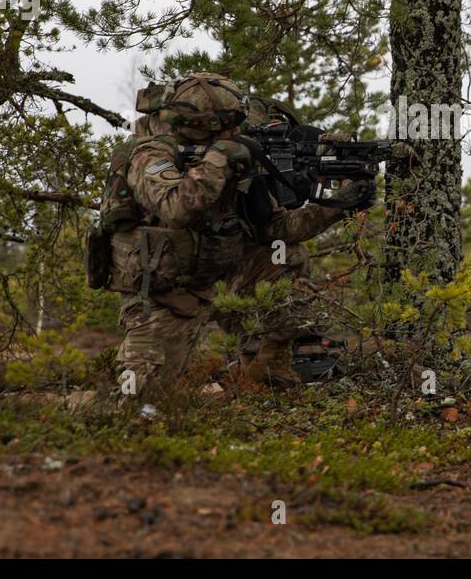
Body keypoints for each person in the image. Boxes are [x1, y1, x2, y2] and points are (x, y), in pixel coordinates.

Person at [99, 73, 373, 392]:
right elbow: (175, 208)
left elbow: (276, 227)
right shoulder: (150, 156)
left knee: (284, 256)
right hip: (166, 289)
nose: (237, 132)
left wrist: (338, 206)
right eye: (227, 126)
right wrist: (220, 158)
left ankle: (266, 360)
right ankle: (61, 404)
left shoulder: (228, 154)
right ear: (198, 126)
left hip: (218, 272)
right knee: (143, 399)